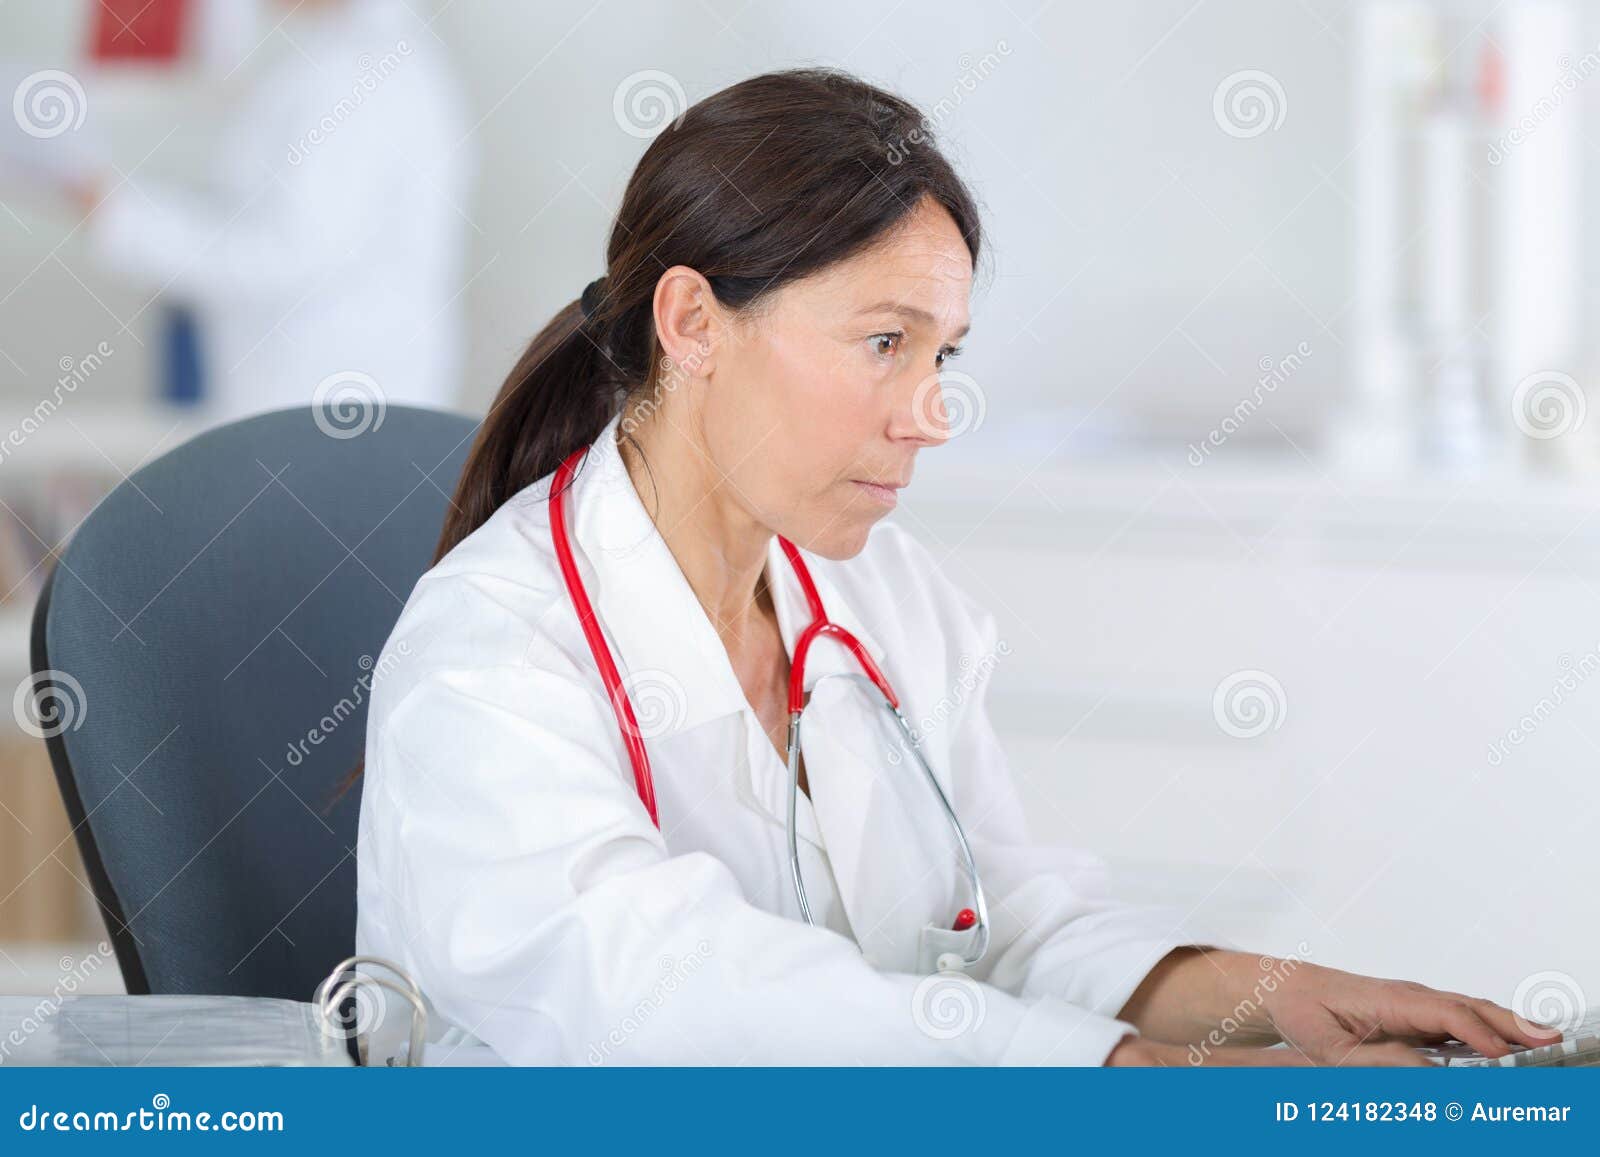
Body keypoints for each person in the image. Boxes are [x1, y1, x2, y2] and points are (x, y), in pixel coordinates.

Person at [349, 67, 1558, 1066]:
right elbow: (667, 995)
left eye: (944, 355)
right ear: (693, 323)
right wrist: (1117, 1073)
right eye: (883, 344)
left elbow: (994, 923)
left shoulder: (884, 599)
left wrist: (1257, 993)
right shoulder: (492, 652)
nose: (931, 412)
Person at [65, 0, 472, 425]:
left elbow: (287, 253)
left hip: (323, 404)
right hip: (318, 403)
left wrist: (111, 210)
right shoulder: (346, 58)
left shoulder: (359, 72)